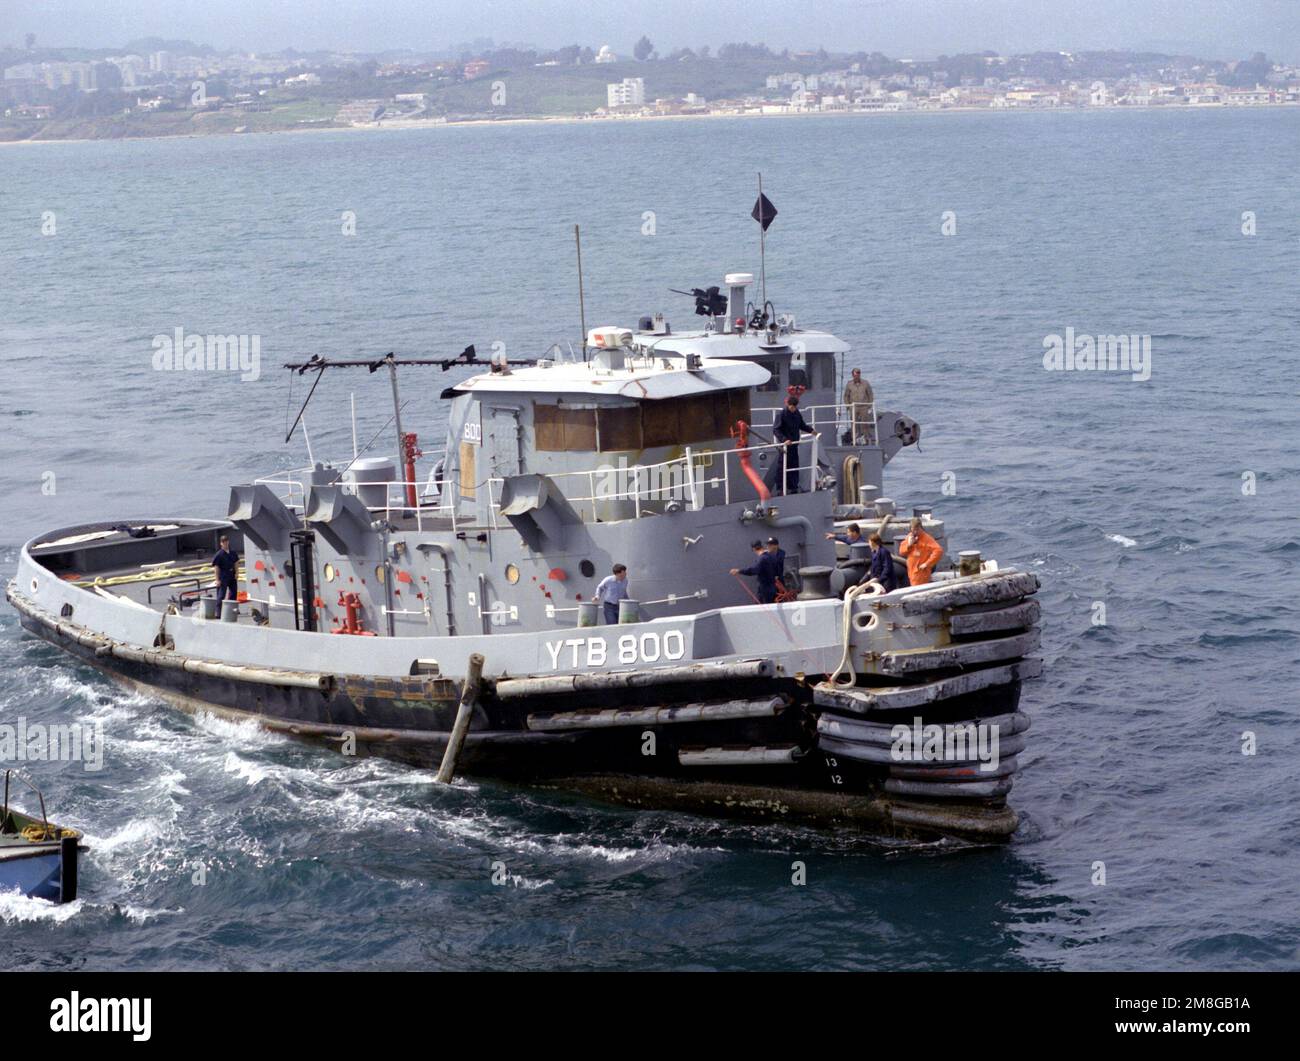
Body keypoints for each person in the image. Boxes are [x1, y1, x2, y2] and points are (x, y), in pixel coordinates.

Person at [764, 395, 812, 495]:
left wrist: (811, 431)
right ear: (788, 405)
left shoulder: (797, 414)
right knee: (782, 467)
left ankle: (793, 486)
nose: (793, 408)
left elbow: (801, 425)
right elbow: (776, 429)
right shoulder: (781, 415)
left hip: (794, 445)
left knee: (794, 466)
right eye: (791, 407)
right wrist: (784, 439)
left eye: (794, 407)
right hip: (785, 446)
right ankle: (781, 488)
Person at [730, 537, 786, 604]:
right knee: (772, 606)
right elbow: (778, 570)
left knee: (763, 607)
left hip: (765, 589)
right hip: (774, 587)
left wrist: (738, 571)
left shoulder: (762, 559)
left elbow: (754, 570)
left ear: (753, 549)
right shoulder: (771, 556)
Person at [898, 517, 943, 586]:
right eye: (913, 530)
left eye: (917, 530)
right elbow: (901, 552)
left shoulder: (927, 538)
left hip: (921, 572)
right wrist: (909, 545)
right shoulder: (910, 537)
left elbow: (938, 550)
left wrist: (927, 563)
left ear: (921, 528)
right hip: (911, 571)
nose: (915, 532)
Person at [843, 367, 875, 444]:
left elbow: (870, 394)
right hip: (854, 407)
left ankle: (866, 438)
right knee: (854, 423)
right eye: (856, 373)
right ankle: (855, 439)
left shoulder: (865, 383)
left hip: (864, 406)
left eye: (859, 373)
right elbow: (846, 396)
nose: (858, 375)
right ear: (853, 375)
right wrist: (848, 406)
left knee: (864, 423)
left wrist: (869, 405)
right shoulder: (849, 384)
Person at [212, 534, 240, 605]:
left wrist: (237, 573)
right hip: (223, 576)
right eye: (224, 542)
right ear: (221, 543)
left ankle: (230, 609)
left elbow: (236, 562)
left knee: (233, 593)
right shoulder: (219, 555)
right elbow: (216, 567)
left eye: (226, 541)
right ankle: (218, 612)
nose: (226, 543)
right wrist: (217, 579)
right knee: (221, 595)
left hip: (232, 575)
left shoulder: (233, 553)